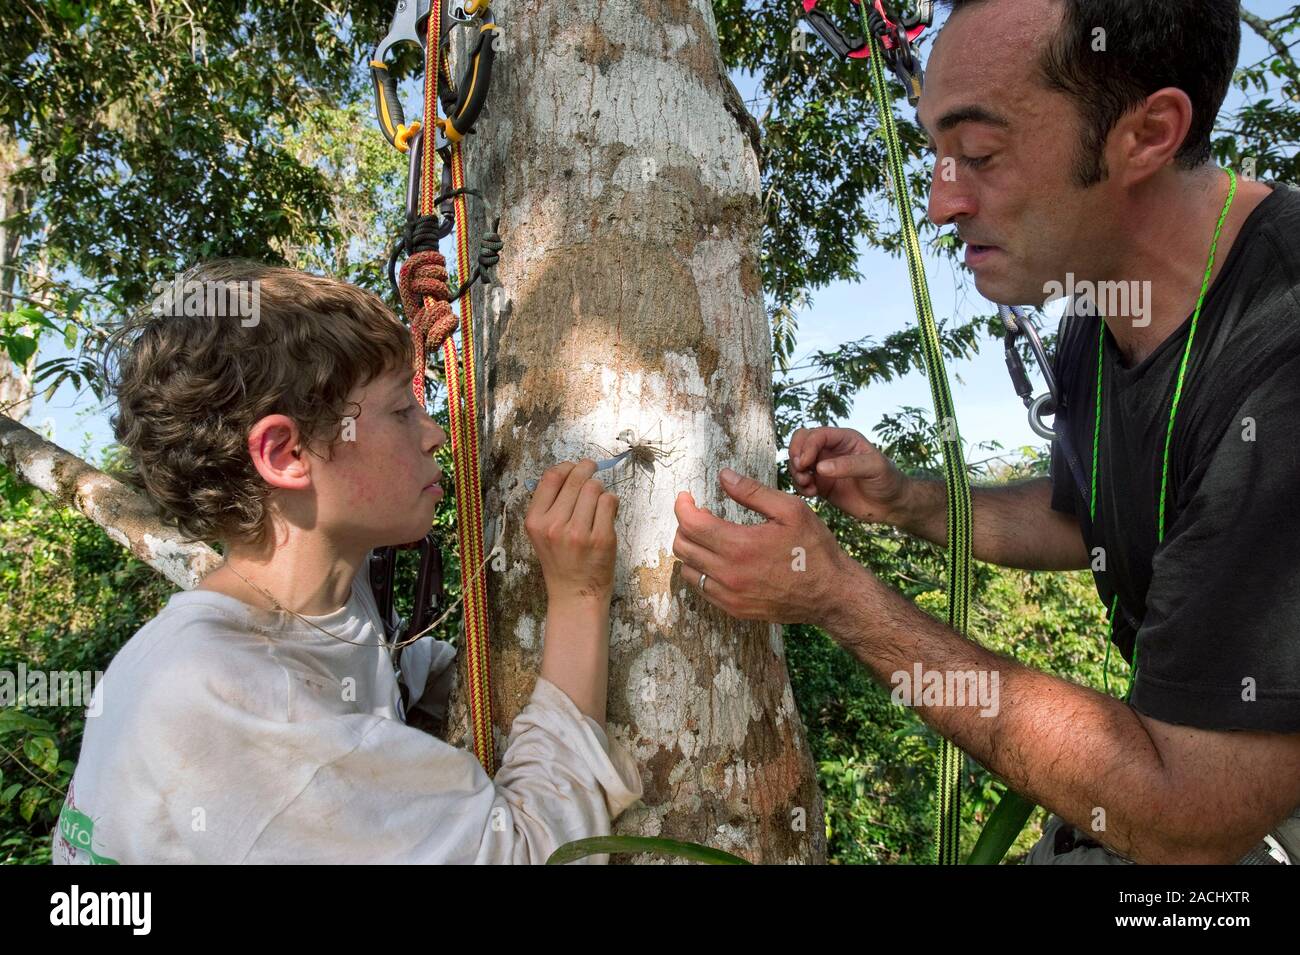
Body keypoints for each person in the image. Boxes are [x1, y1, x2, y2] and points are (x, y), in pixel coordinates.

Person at [672, 0, 1300, 863]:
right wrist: (909, 501)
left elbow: (1184, 818)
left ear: (1147, 133)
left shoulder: (1282, 350)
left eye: (978, 155)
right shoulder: (1101, 298)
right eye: (936, 153)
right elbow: (1092, 516)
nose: (941, 202)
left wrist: (839, 599)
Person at [53, 259, 641, 864]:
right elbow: (535, 853)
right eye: (399, 410)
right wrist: (579, 597)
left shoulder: (304, 604)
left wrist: (450, 673)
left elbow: (363, 662)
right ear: (285, 453)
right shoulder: (242, 706)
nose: (434, 433)